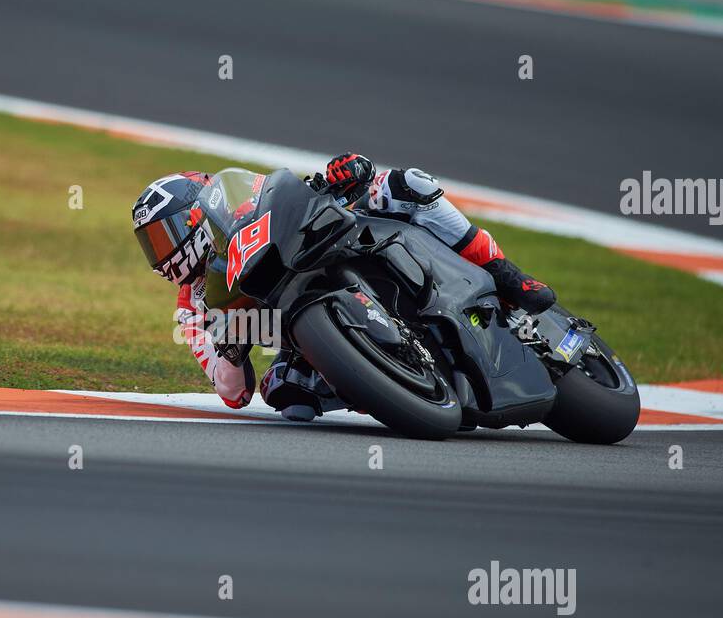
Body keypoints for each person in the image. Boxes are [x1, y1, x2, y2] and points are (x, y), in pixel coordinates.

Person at [131, 153, 556, 419]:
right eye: (150, 246)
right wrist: (231, 344)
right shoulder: (192, 308)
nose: (159, 254)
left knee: (403, 184)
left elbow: (293, 197)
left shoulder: (245, 205)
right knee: (285, 393)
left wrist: (343, 175)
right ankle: (392, 382)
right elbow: (233, 393)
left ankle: (504, 272)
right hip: (301, 333)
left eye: (161, 237)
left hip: (343, 247)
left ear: (197, 217)